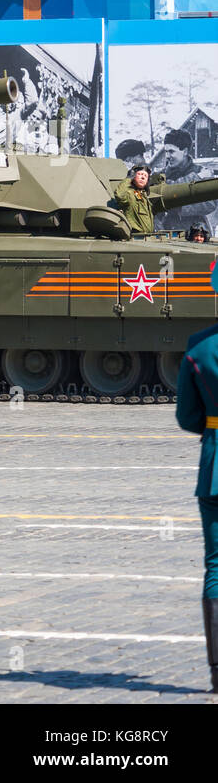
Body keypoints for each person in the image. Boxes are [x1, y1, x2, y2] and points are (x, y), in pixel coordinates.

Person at [174, 274, 218, 693]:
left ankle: (217, 674)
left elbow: (187, 417)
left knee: (216, 568)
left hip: (215, 469)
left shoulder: (198, 346)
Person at [113, 164, 159, 234]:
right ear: (133, 177)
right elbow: (120, 195)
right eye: (140, 174)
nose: (143, 177)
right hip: (135, 236)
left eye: (145, 176)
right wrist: (128, 178)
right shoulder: (130, 193)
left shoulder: (142, 196)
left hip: (147, 238)